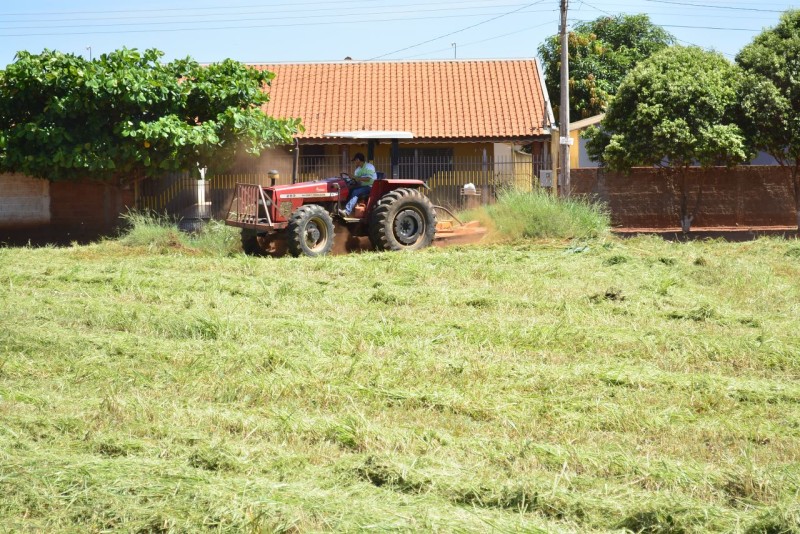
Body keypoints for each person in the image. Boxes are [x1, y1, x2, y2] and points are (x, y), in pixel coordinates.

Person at [339, 153, 377, 217]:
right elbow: (356, 179)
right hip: (362, 186)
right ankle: (343, 208)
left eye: (355, 160)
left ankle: (347, 211)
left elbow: (368, 179)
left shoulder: (369, 167)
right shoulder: (358, 169)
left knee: (356, 192)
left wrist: (355, 178)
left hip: (371, 186)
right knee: (348, 190)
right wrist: (350, 179)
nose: (354, 162)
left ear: (358, 160)